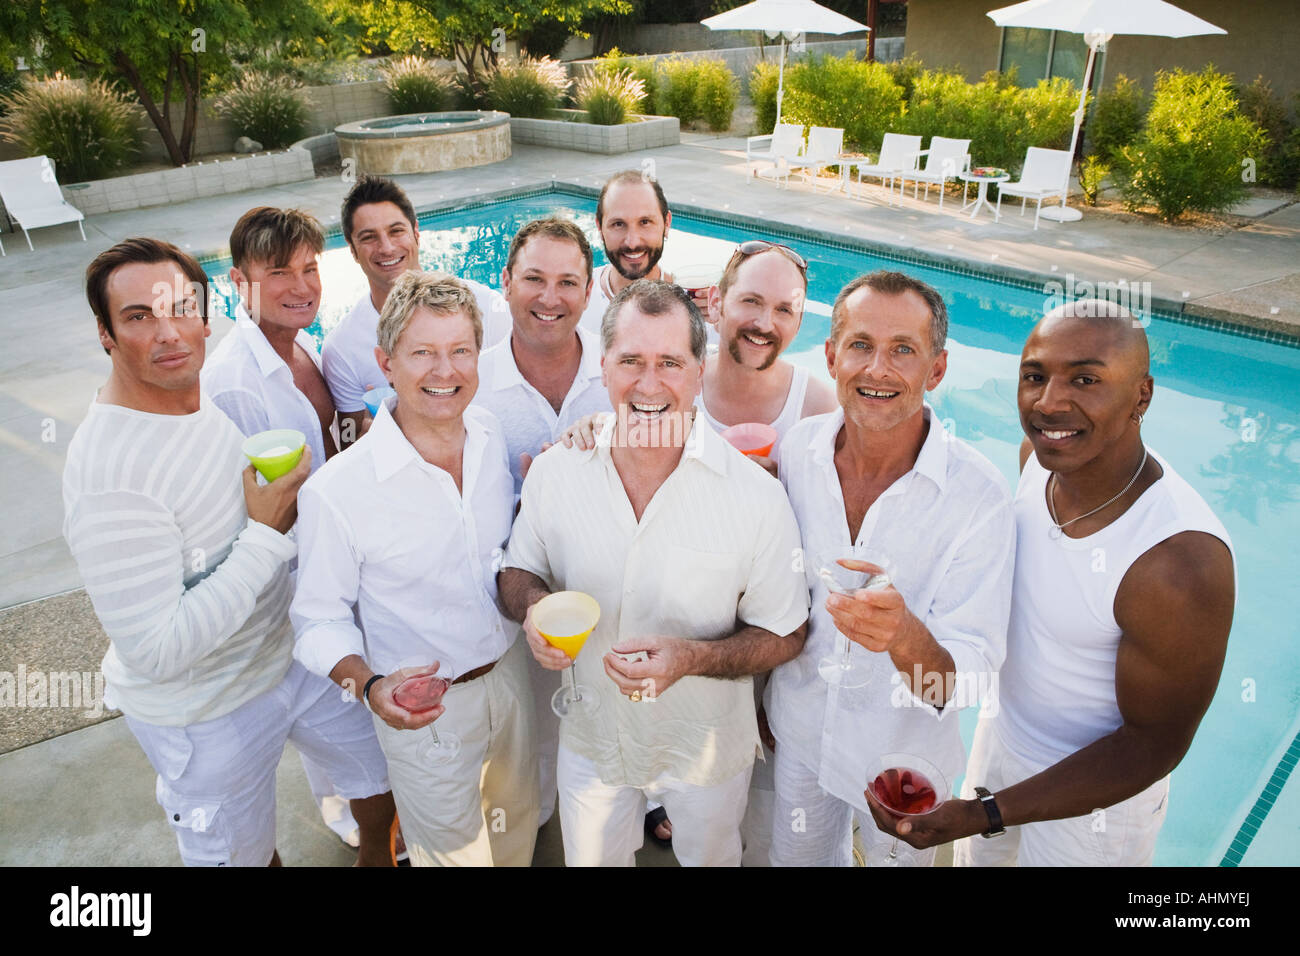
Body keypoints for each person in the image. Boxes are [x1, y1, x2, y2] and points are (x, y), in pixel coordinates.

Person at [867, 299, 1235, 866]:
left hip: (1097, 810)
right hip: (1001, 746)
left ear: (1142, 395)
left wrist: (986, 813)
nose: (1048, 402)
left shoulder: (1179, 560)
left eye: (1085, 379)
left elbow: (1153, 745)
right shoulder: (1040, 460)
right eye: (1034, 376)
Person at [63, 237, 395, 866]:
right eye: (139, 317)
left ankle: (378, 860)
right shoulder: (109, 474)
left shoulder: (194, 404)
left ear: (205, 314)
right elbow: (157, 650)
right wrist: (267, 535)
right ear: (105, 334)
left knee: (378, 770)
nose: (169, 333)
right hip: (205, 709)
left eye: (181, 307)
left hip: (288, 654)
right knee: (242, 856)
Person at [498, 279, 810, 866]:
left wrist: (690, 658)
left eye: (670, 362)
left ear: (699, 371)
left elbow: (786, 633)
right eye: (631, 361)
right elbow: (516, 571)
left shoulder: (756, 498)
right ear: (603, 365)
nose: (648, 383)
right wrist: (535, 607)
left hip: (706, 748)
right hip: (591, 738)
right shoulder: (555, 472)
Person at [765, 270, 1014, 867]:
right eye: (860, 346)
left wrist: (904, 639)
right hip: (798, 735)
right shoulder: (796, 452)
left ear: (937, 369)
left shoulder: (979, 496)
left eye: (903, 349)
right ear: (830, 356)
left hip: (902, 767)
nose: (878, 369)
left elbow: (975, 680)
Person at [292, 271, 539, 866]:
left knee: (517, 835)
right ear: (386, 362)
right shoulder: (337, 490)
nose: (444, 371)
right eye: (422, 352)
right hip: (427, 711)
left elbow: (499, 549)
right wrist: (371, 688)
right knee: (453, 858)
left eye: (459, 351)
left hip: (511, 679)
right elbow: (317, 621)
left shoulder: (487, 431)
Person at [202, 205, 378, 851]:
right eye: (279, 271)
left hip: (332, 560)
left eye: (310, 267)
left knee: (344, 714)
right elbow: (258, 509)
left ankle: (357, 810)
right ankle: (346, 814)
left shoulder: (299, 345)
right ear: (239, 279)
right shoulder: (234, 382)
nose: (302, 284)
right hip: (287, 585)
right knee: (323, 704)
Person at [323, 175, 509, 448]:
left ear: (416, 233)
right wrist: (368, 441)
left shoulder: (485, 306)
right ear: (351, 250)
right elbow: (349, 441)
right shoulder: (341, 347)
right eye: (369, 237)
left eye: (396, 231)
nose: (386, 247)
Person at [579, 170, 676, 335]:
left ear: (666, 224)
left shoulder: (697, 308)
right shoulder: (575, 301)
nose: (632, 243)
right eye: (618, 224)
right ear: (600, 228)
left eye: (645, 222)